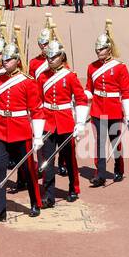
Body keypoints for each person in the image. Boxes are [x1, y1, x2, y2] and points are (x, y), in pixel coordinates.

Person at [0, 42, 42, 221]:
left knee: (28, 169)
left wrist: (37, 136)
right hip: (2, 130)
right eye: (4, 59)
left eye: (8, 60)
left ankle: (35, 202)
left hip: (21, 130)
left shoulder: (28, 82)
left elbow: (36, 111)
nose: (5, 62)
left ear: (17, 60)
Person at [35, 41, 88, 207]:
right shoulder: (42, 77)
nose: (50, 60)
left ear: (62, 56)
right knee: (47, 160)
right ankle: (49, 195)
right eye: (49, 57)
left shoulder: (70, 76)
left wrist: (80, 123)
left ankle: (74, 187)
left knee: (69, 158)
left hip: (65, 121)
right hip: (48, 122)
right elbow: (37, 101)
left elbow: (81, 99)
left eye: (54, 56)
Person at [87, 26, 129, 186]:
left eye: (101, 49)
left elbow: (126, 91)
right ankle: (99, 174)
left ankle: (118, 168)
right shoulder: (92, 67)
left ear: (108, 49)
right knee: (100, 142)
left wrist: (128, 114)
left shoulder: (120, 67)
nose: (98, 52)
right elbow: (89, 89)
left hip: (113, 109)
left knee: (115, 142)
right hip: (98, 108)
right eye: (96, 49)